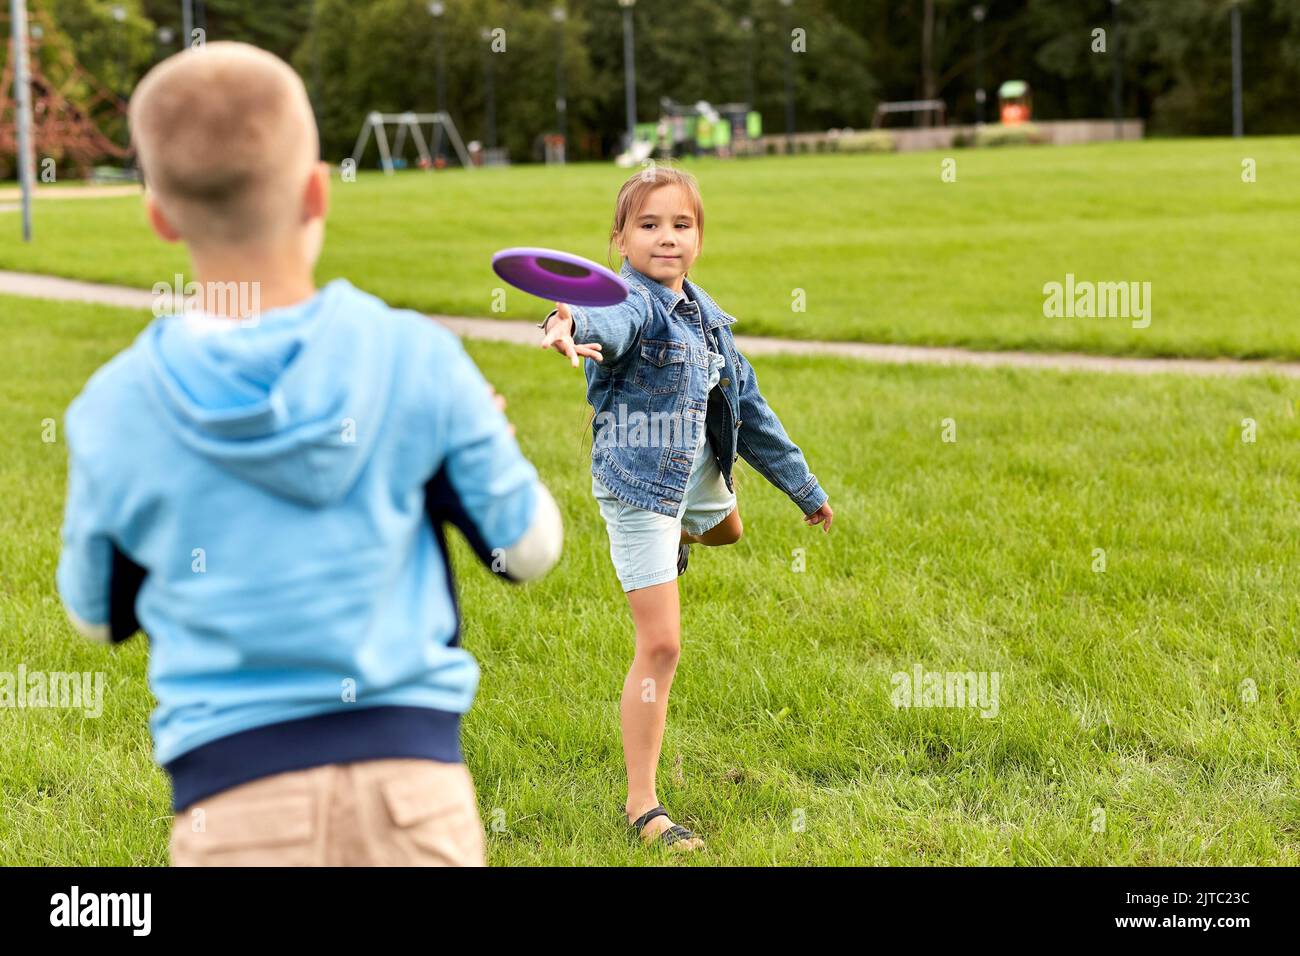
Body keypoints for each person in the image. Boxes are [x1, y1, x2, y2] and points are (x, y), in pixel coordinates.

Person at [55, 42, 563, 866]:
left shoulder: (115, 406)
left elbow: (93, 613)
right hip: (414, 796)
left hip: (232, 808)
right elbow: (530, 552)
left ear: (157, 213)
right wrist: (477, 440)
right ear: (318, 189)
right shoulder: (416, 357)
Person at [538, 164, 833, 850]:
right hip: (641, 483)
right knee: (662, 643)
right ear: (619, 240)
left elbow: (752, 412)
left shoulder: (711, 323)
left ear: (699, 238)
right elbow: (603, 317)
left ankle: (681, 543)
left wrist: (805, 488)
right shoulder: (631, 303)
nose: (665, 238)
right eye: (648, 225)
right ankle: (643, 806)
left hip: (695, 469)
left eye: (681, 224)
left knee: (729, 531)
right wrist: (564, 321)